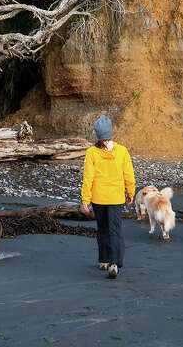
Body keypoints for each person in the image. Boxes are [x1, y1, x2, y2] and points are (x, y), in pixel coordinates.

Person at [80, 115, 135, 279]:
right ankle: (114, 263)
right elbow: (129, 175)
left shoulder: (91, 152)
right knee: (115, 231)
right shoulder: (122, 151)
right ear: (111, 132)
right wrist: (130, 192)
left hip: (98, 198)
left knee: (102, 229)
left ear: (98, 134)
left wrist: (85, 200)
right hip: (116, 198)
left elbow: (87, 177)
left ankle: (103, 260)